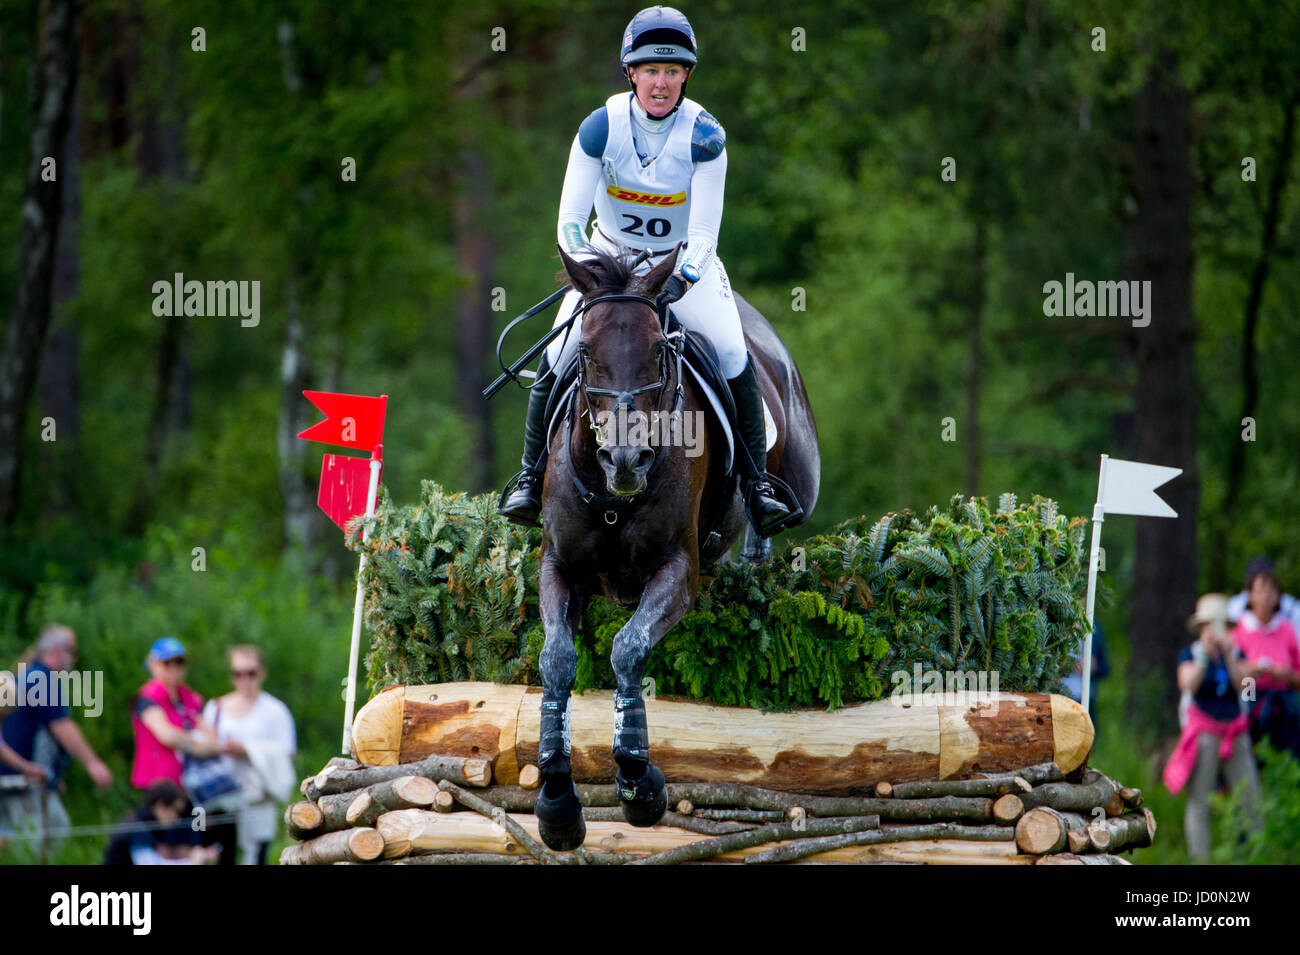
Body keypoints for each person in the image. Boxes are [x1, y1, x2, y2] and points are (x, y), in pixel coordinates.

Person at [498, 5, 792, 537]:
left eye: (673, 72)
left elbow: (703, 237)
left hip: (679, 267)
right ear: (630, 72)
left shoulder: (706, 136)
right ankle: (528, 476)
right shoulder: (598, 129)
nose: (661, 83)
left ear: (686, 76)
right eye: (651, 71)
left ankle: (758, 487)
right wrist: (596, 281)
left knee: (729, 349)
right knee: (557, 351)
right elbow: (568, 226)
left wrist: (679, 282)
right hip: (607, 263)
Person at [1162, 594, 1262, 860]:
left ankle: (1255, 854)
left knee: (1250, 800)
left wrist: (1228, 654)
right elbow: (1187, 685)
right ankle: (1200, 858)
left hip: (1234, 733)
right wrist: (1205, 656)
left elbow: (1247, 688)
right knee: (1200, 802)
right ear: (1201, 627)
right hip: (1204, 734)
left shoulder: (1237, 653)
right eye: (1210, 625)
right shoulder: (1191, 654)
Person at [0, 625, 113, 854]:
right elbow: (62, 727)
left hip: (22, 775)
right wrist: (93, 763)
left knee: (54, 827)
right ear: (58, 650)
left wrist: (52, 776)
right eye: (71, 650)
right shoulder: (41, 678)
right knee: (35, 844)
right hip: (22, 781)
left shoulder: (29, 674)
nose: (74, 657)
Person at [130, 636, 239, 862]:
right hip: (161, 790)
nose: (173, 669)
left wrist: (193, 742)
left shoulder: (189, 698)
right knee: (167, 848)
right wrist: (198, 744)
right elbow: (166, 735)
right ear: (153, 665)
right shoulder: (148, 698)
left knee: (195, 843)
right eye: (166, 663)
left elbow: (211, 737)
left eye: (178, 663)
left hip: (191, 790)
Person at [202, 645, 297, 865]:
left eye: (251, 673)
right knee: (222, 855)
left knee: (256, 856)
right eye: (238, 673)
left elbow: (287, 754)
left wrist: (248, 751)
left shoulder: (276, 711)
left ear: (261, 673)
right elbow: (202, 747)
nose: (245, 679)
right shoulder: (215, 708)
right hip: (222, 796)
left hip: (258, 796)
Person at [1232, 564, 1300, 762]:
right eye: (1261, 589)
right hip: (1251, 692)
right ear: (1250, 595)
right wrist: (1252, 669)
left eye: (1271, 589)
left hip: (1282, 698)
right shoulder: (1240, 629)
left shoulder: (1286, 629)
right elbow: (1232, 669)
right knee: (1249, 704)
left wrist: (1285, 674)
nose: (1266, 595)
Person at [103, 779, 219, 865]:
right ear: (161, 806)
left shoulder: (145, 822)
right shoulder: (139, 829)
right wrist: (193, 862)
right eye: (175, 810)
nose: (177, 818)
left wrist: (195, 855)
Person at [1226, 556, 1300, 648]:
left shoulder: (1292, 609)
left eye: (1269, 588)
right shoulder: (1234, 608)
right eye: (1261, 589)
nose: (1265, 595)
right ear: (1250, 592)